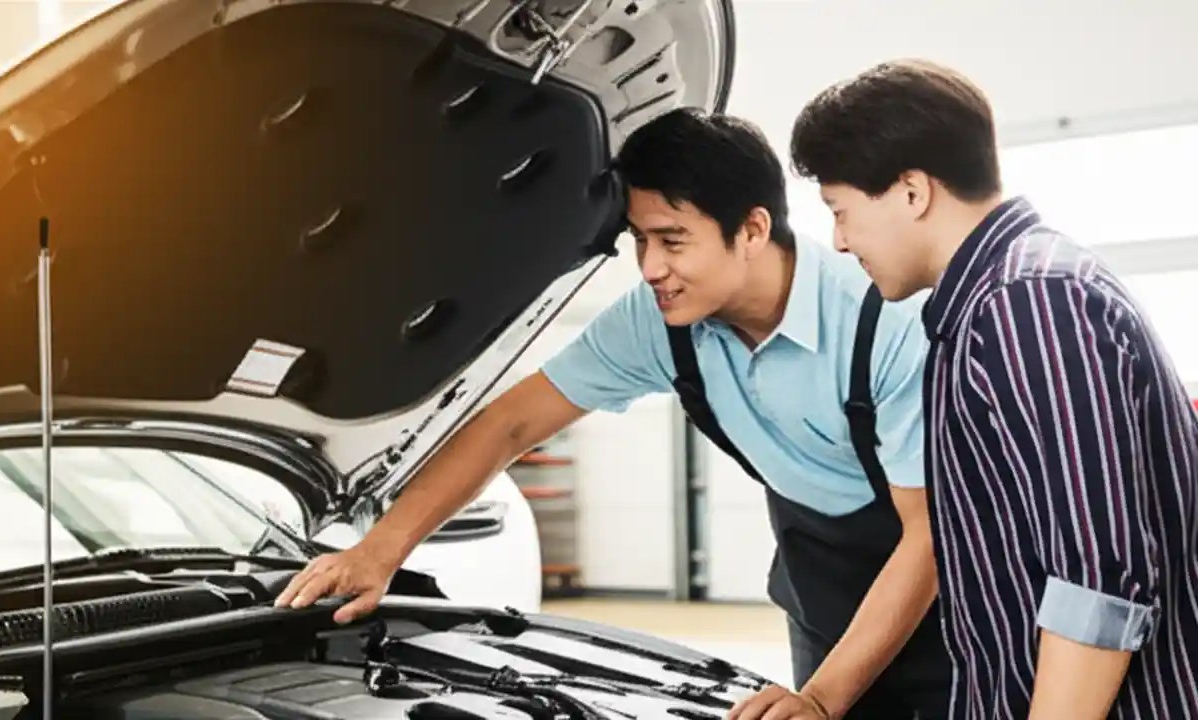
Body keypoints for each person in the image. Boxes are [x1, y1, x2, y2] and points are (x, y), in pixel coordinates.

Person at [275, 107, 953, 719]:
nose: (650, 268)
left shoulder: (882, 318)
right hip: (823, 591)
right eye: (638, 240)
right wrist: (380, 550)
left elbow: (927, 536)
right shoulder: (659, 323)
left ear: (751, 229)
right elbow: (509, 423)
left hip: (951, 593)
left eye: (673, 239)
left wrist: (819, 700)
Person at [787, 58, 1198, 719]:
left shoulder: (1028, 302)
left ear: (911, 191)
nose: (838, 242)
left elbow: (1098, 578)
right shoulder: (989, 304)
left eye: (840, 211)